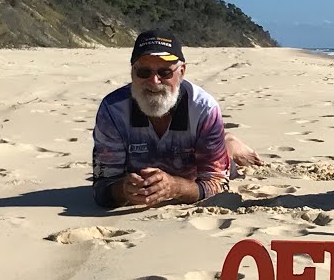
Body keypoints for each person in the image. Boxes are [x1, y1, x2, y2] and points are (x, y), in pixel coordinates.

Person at [91, 28, 249, 208]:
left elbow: (218, 183)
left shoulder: (204, 109)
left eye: (165, 72)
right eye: (143, 72)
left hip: (193, 173)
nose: (154, 81)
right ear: (132, 72)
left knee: (228, 158)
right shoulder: (113, 110)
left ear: (181, 72)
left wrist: (175, 188)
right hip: (149, 174)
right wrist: (123, 190)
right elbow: (102, 187)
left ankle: (230, 144)